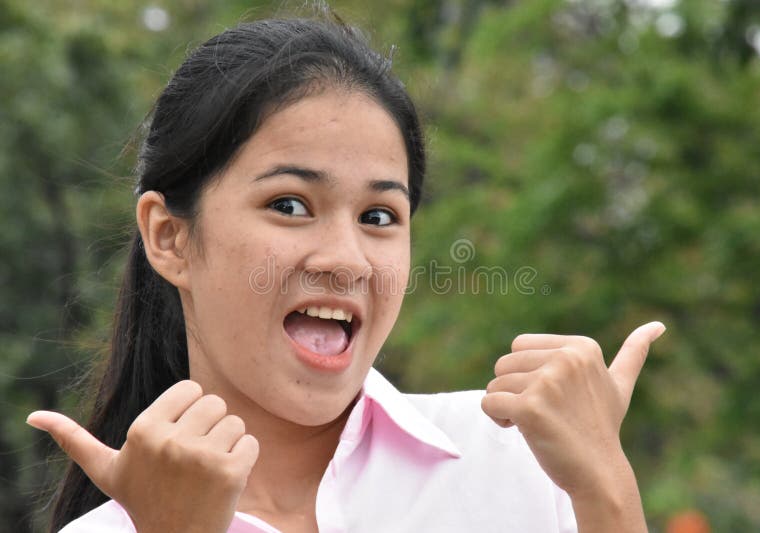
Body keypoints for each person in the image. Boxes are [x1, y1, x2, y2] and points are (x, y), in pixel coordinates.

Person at [26, 14, 666, 533]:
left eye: (380, 215)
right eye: (289, 205)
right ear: (170, 237)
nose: (346, 258)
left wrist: (605, 485)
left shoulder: (522, 458)